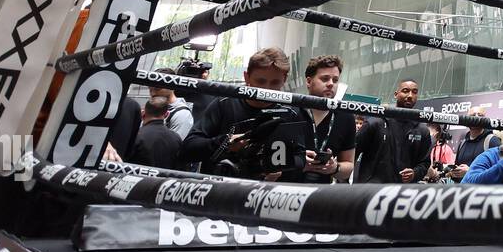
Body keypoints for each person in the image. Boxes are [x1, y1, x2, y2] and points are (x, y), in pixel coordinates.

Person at [179, 47, 317, 181]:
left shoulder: (292, 111)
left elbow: (302, 157)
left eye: (275, 82)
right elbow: (189, 148)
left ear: (284, 80)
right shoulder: (225, 103)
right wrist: (225, 142)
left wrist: (281, 169)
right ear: (247, 77)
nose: (266, 89)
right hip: (221, 189)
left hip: (267, 196)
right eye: (261, 81)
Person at [352, 79, 431, 185]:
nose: (410, 95)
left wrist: (414, 173)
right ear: (396, 94)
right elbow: (352, 152)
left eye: (414, 92)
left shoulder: (422, 130)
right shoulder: (376, 122)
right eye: (405, 91)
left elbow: (424, 163)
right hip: (371, 191)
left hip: (401, 194)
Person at [302, 55, 355, 183]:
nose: (331, 84)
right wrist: (296, 162)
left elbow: (349, 165)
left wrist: (335, 168)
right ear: (309, 82)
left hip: (321, 194)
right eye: (325, 79)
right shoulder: (292, 110)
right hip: (285, 191)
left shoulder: (346, 117)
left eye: (335, 80)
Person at [129, 95, 182, 169]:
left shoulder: (136, 135)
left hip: (139, 178)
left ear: (143, 113)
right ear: (166, 114)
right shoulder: (176, 138)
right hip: (165, 179)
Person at [452, 109, 500, 181]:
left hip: (482, 190)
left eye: (480, 115)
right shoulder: (463, 143)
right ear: (467, 119)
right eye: (473, 115)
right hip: (463, 189)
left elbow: (499, 170)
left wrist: (470, 172)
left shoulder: (492, 141)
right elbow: (457, 167)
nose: (476, 118)